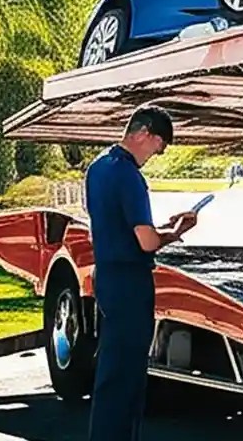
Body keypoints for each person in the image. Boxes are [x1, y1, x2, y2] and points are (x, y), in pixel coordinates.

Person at [85, 104, 197, 441]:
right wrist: (176, 232)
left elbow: (119, 225)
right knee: (128, 375)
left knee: (111, 370)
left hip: (107, 274)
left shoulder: (99, 168)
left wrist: (162, 226)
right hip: (130, 281)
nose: (154, 156)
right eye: (157, 148)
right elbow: (146, 241)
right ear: (144, 134)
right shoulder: (130, 176)